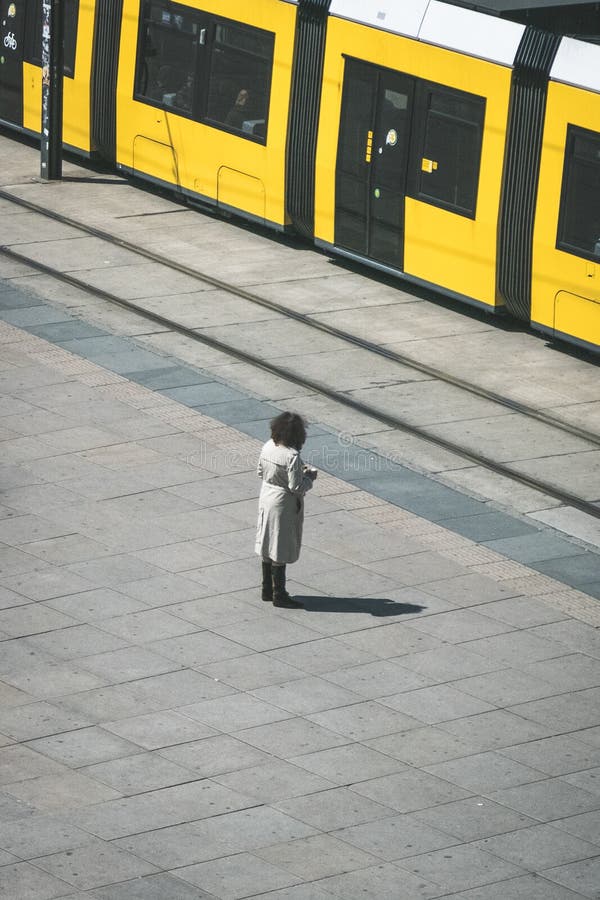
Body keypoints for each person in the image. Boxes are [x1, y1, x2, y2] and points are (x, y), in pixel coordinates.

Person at [255, 412, 317, 608]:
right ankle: (279, 594)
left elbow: (260, 472)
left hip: (266, 496)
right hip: (283, 503)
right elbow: (296, 487)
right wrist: (309, 478)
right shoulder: (292, 456)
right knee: (280, 545)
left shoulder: (268, 446)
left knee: (267, 541)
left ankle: (266, 589)